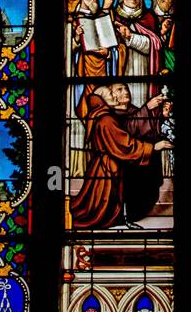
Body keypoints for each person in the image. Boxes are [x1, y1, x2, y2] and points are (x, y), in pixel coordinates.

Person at [70, 83, 171, 229]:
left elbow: (145, 133)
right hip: (114, 165)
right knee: (103, 205)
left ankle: (125, 216)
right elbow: (124, 140)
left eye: (126, 88)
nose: (124, 92)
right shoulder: (107, 119)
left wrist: (162, 116)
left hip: (124, 160)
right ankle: (123, 217)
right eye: (117, 91)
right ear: (106, 98)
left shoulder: (112, 115)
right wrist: (153, 146)